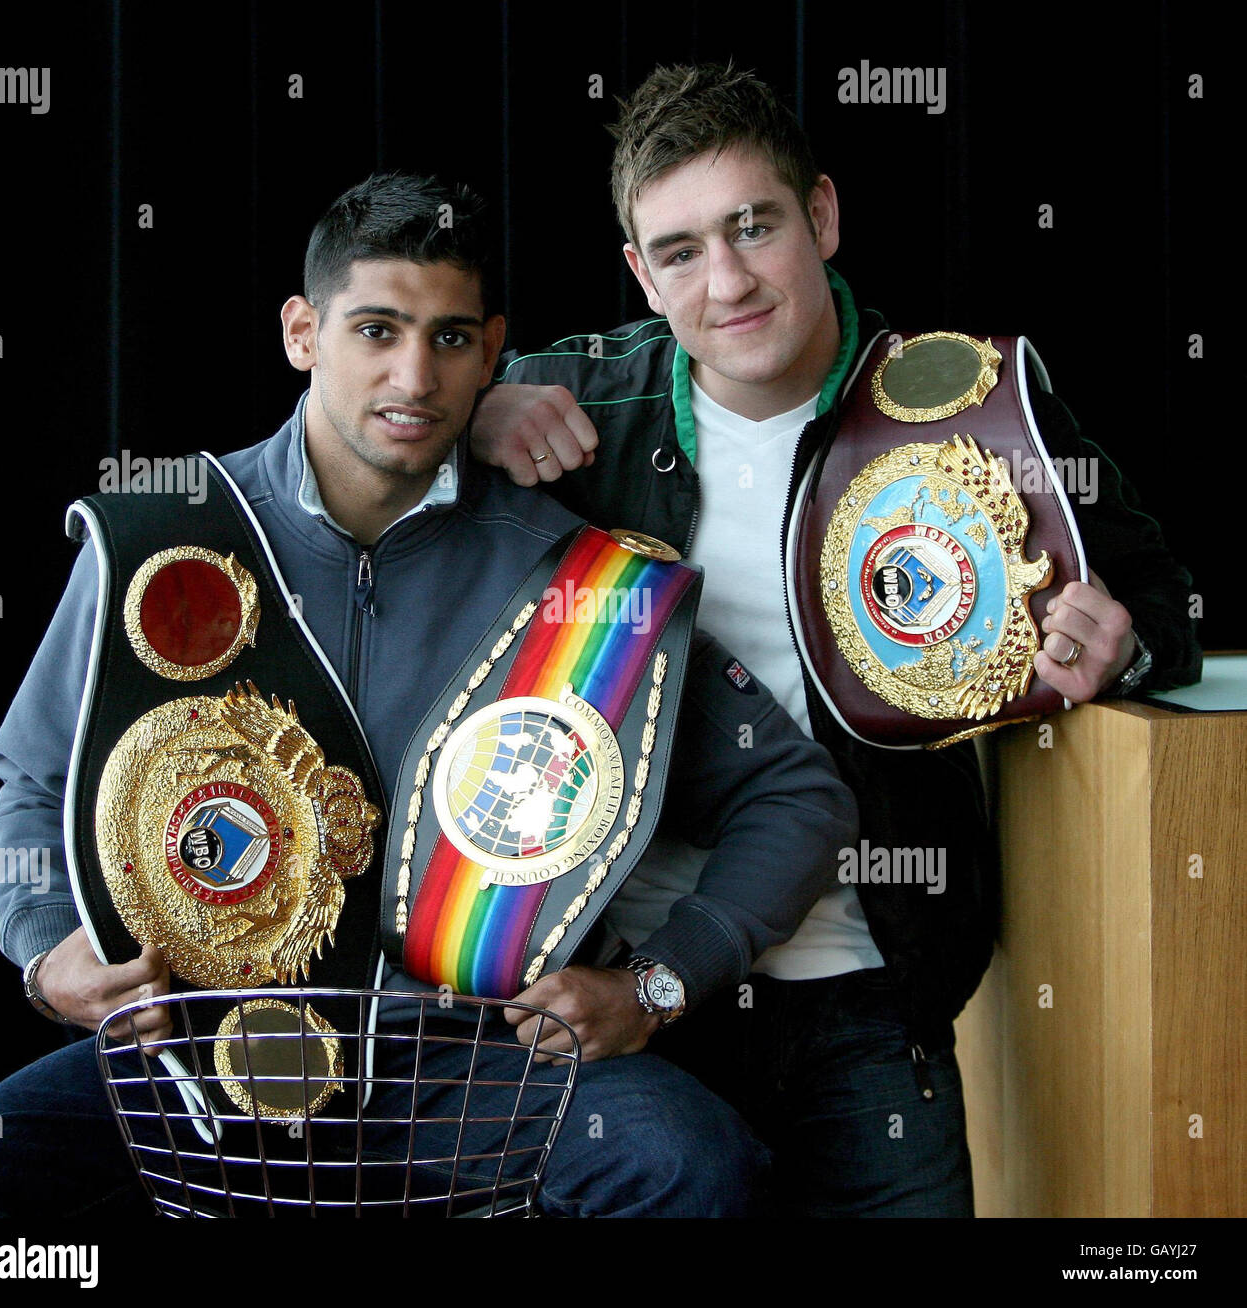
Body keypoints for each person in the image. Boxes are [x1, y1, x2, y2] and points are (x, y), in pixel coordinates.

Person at [0, 170, 857, 1219]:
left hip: (464, 1066)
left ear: (493, 348)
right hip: (195, 1058)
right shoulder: (163, 535)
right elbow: (34, 779)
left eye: (451, 339)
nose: (414, 376)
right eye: (376, 331)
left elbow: (799, 798)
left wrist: (658, 983)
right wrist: (44, 946)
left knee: (693, 1167)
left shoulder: (574, 581)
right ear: (302, 331)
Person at [469, 63, 1202, 1216]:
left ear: (820, 214)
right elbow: (355, 456)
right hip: (616, 1004)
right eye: (680, 251)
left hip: (868, 996)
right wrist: (472, 411)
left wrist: (1123, 646)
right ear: (639, 273)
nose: (727, 281)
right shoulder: (572, 408)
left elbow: (1161, 599)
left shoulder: (964, 407)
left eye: (753, 226)